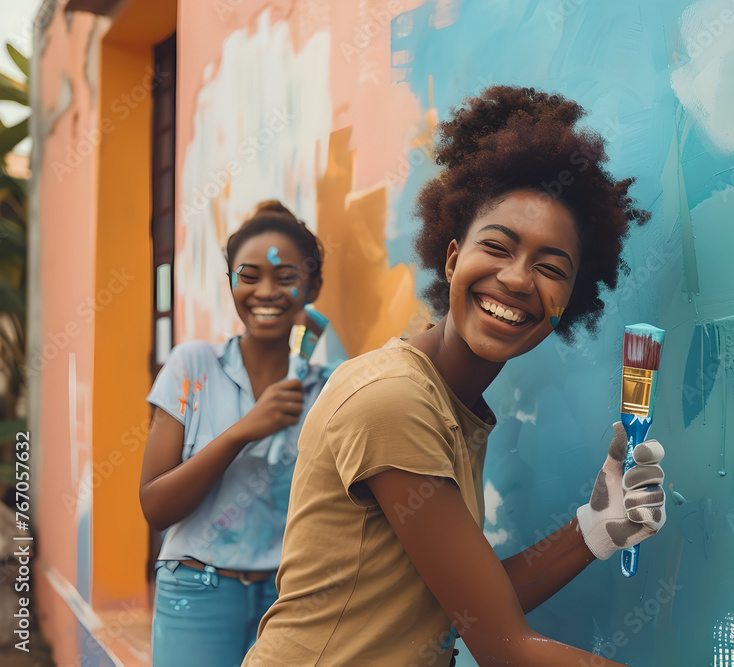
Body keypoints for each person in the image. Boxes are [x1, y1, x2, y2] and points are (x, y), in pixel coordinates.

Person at [245, 86, 666, 666]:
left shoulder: (450, 404)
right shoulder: (394, 400)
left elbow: (469, 608)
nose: (517, 279)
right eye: (497, 246)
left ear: (567, 302)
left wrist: (595, 528)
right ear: (451, 259)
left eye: (549, 268)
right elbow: (503, 646)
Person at [140, 201, 330, 667]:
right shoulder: (191, 366)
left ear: (312, 287)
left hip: (291, 602)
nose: (265, 291)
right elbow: (156, 507)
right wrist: (243, 431)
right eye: (249, 276)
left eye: (285, 277)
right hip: (196, 591)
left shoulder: (329, 388)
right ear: (231, 282)